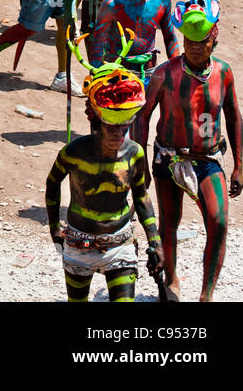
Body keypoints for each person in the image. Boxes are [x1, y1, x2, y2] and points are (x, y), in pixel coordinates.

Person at [134, 0, 243, 302]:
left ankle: (206, 295)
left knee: (218, 221)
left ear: (213, 41)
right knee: (169, 222)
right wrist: (140, 162)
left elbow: (234, 116)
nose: (195, 47)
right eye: (190, 41)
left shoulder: (223, 73)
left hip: (208, 158)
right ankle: (171, 282)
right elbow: (142, 117)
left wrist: (239, 165)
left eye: (202, 42)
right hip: (168, 158)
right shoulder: (164, 73)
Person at [45, 50, 162, 302]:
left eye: (124, 127)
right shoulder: (74, 153)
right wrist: (54, 227)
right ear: (96, 121)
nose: (118, 134)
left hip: (120, 242)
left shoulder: (134, 153)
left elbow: (141, 197)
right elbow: (52, 182)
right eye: (112, 126)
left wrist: (155, 241)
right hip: (78, 243)